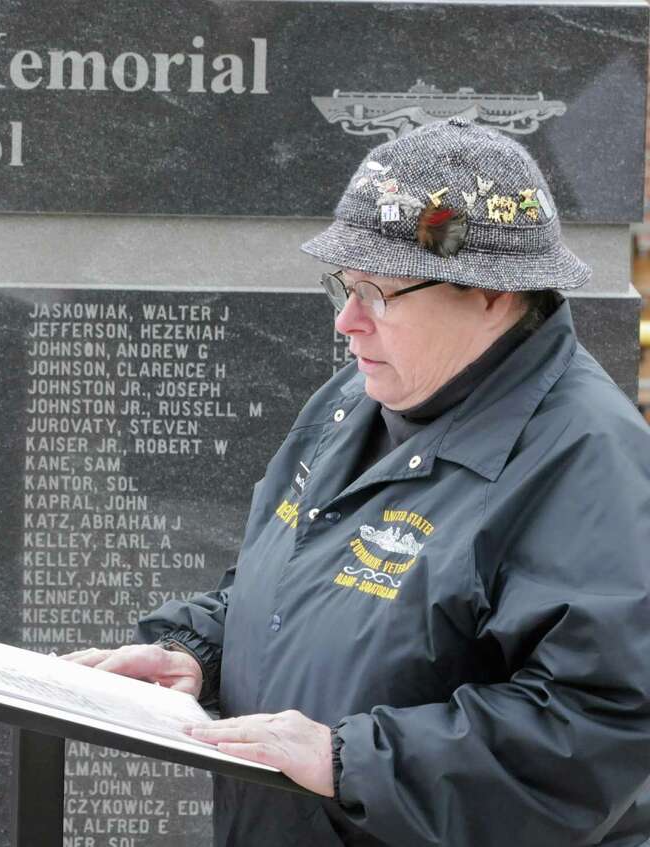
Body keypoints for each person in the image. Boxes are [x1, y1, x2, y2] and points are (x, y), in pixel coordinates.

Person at [66, 117, 650, 845]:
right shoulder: (357, 399)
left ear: (493, 294)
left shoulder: (587, 457)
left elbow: (597, 726)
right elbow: (300, 582)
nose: (347, 321)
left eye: (377, 291)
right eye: (344, 285)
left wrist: (349, 760)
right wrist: (200, 651)